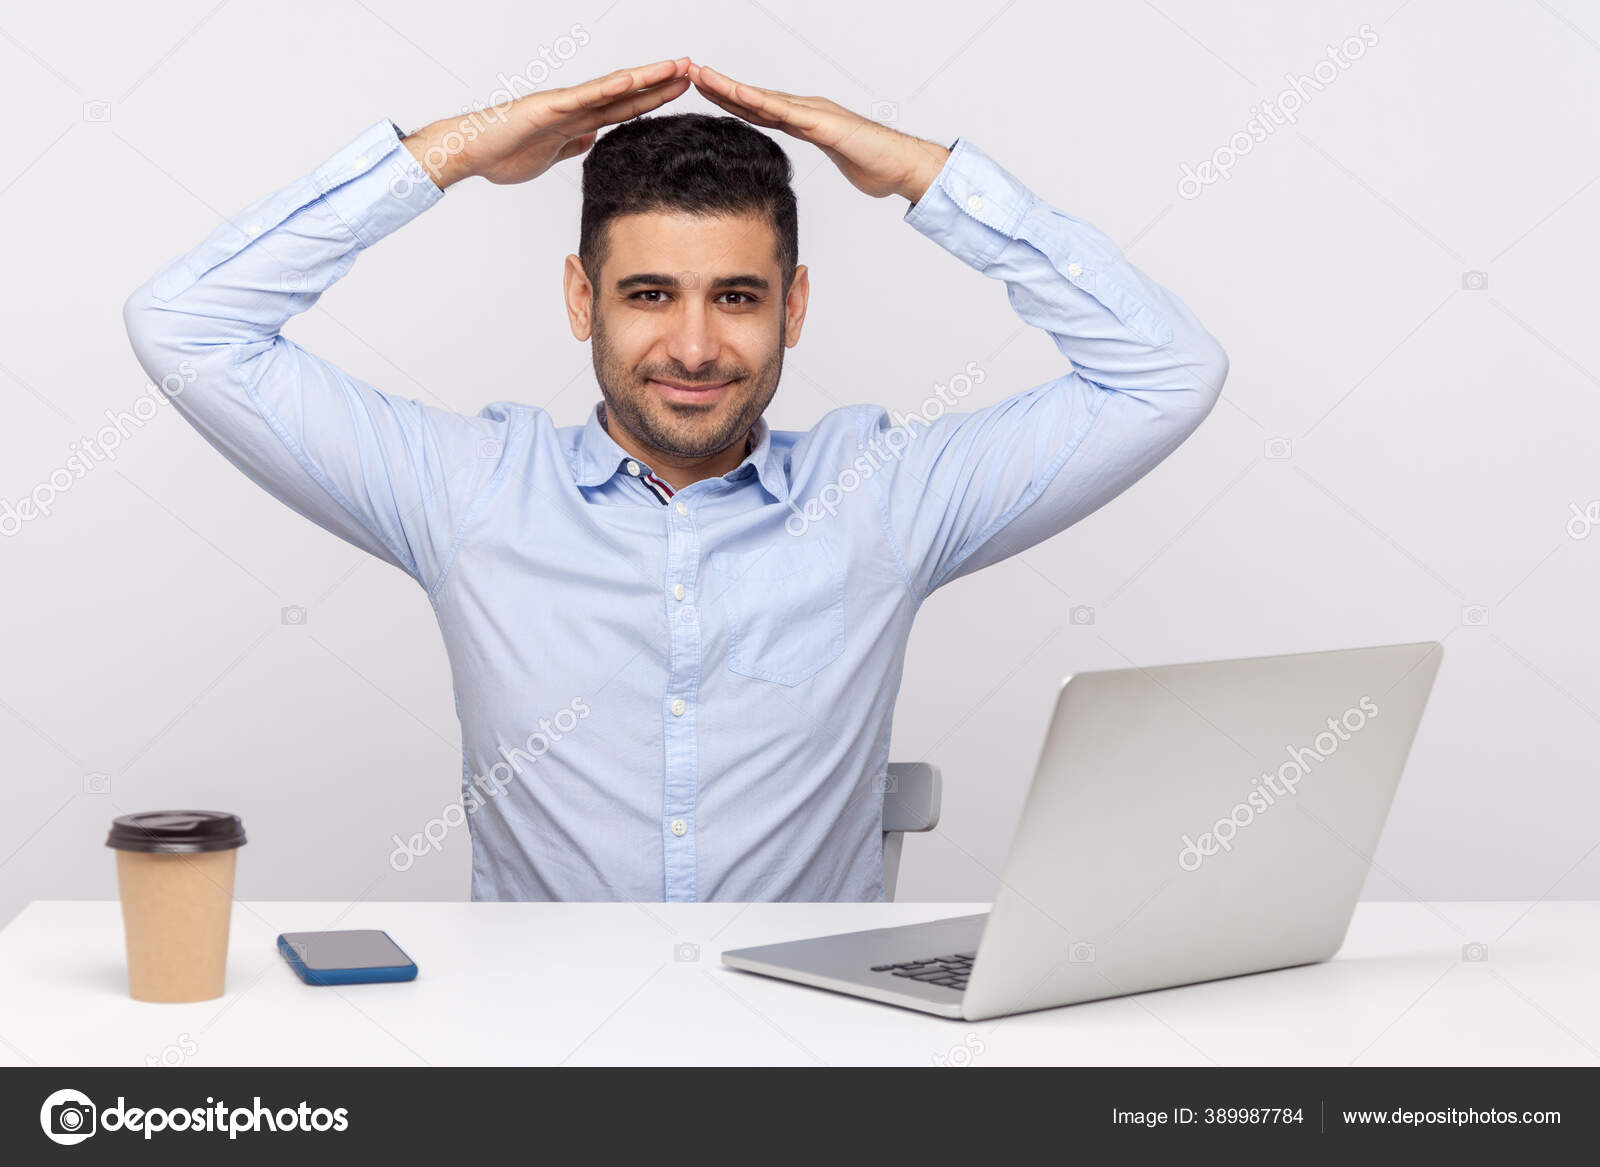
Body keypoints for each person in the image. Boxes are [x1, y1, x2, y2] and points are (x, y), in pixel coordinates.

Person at [122, 58, 1228, 903]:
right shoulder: (467, 492)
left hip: (808, 1053)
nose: (694, 349)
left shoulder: (883, 497)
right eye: (649, 294)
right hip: (543, 1058)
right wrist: (450, 152)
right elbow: (185, 327)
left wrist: (924, 178)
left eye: (736, 298)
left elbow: (1166, 374)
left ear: (793, 306)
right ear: (582, 300)